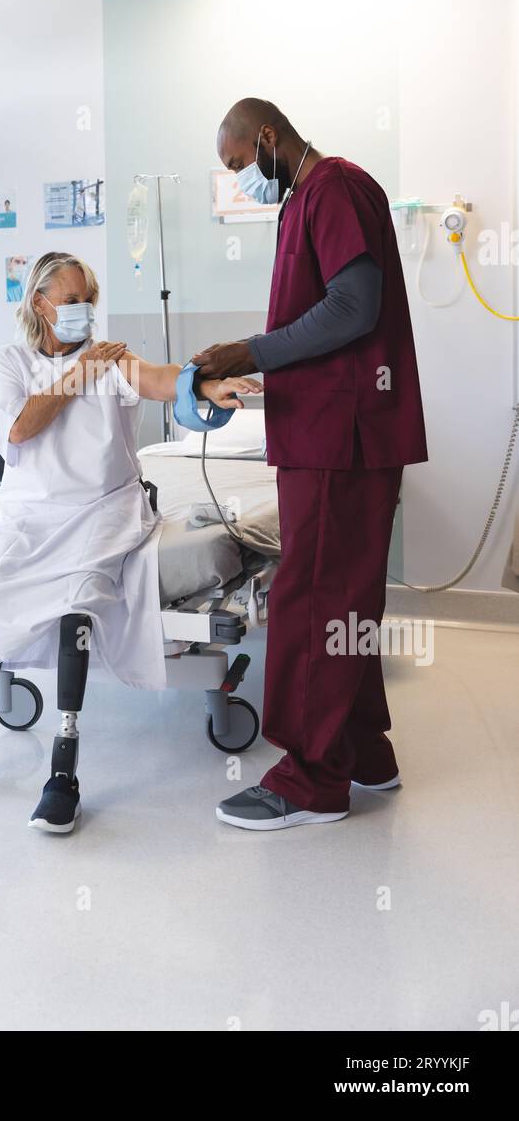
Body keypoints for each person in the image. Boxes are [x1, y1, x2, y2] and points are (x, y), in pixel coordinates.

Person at [0, 251, 260, 832]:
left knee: (80, 603)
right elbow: (19, 428)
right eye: (70, 299)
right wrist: (79, 374)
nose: (82, 310)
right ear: (39, 303)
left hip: (103, 510)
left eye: (88, 299)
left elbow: (156, 380)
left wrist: (206, 385)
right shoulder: (11, 361)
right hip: (27, 516)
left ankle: (64, 767)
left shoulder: (112, 358)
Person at [194, 98, 427, 831]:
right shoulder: (307, 198)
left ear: (265, 138)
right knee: (346, 602)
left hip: (340, 439)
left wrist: (251, 350)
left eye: (240, 165)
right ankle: (362, 752)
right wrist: (268, 369)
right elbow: (328, 318)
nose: (242, 181)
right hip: (331, 431)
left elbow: (354, 308)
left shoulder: (333, 188)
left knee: (313, 599)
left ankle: (310, 781)